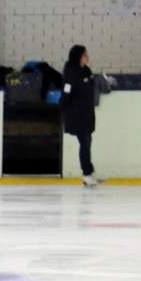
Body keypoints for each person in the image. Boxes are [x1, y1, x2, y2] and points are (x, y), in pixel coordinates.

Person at [61, 44, 105, 188]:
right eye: (85, 55)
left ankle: (89, 172)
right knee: (84, 142)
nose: (88, 57)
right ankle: (86, 174)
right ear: (78, 56)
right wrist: (62, 108)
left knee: (87, 142)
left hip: (86, 112)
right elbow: (67, 91)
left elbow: (90, 84)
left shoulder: (86, 70)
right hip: (75, 114)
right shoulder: (71, 71)